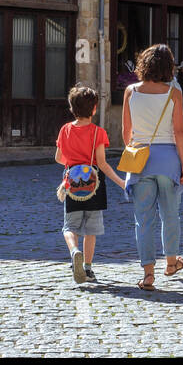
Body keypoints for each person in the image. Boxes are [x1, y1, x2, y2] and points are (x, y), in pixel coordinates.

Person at [122, 44, 183, 291]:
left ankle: (148, 273)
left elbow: (126, 131)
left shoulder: (131, 91)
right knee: (170, 214)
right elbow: (180, 132)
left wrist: (135, 149)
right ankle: (171, 263)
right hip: (168, 158)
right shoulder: (174, 93)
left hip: (140, 158)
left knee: (143, 220)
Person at [55, 85, 125, 284]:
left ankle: (74, 251)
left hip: (72, 183)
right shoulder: (98, 133)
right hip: (94, 185)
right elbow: (102, 163)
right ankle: (87, 267)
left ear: (71, 107)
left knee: (70, 227)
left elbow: (59, 158)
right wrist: (121, 182)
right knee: (91, 230)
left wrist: (74, 164)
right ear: (94, 108)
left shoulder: (65, 130)